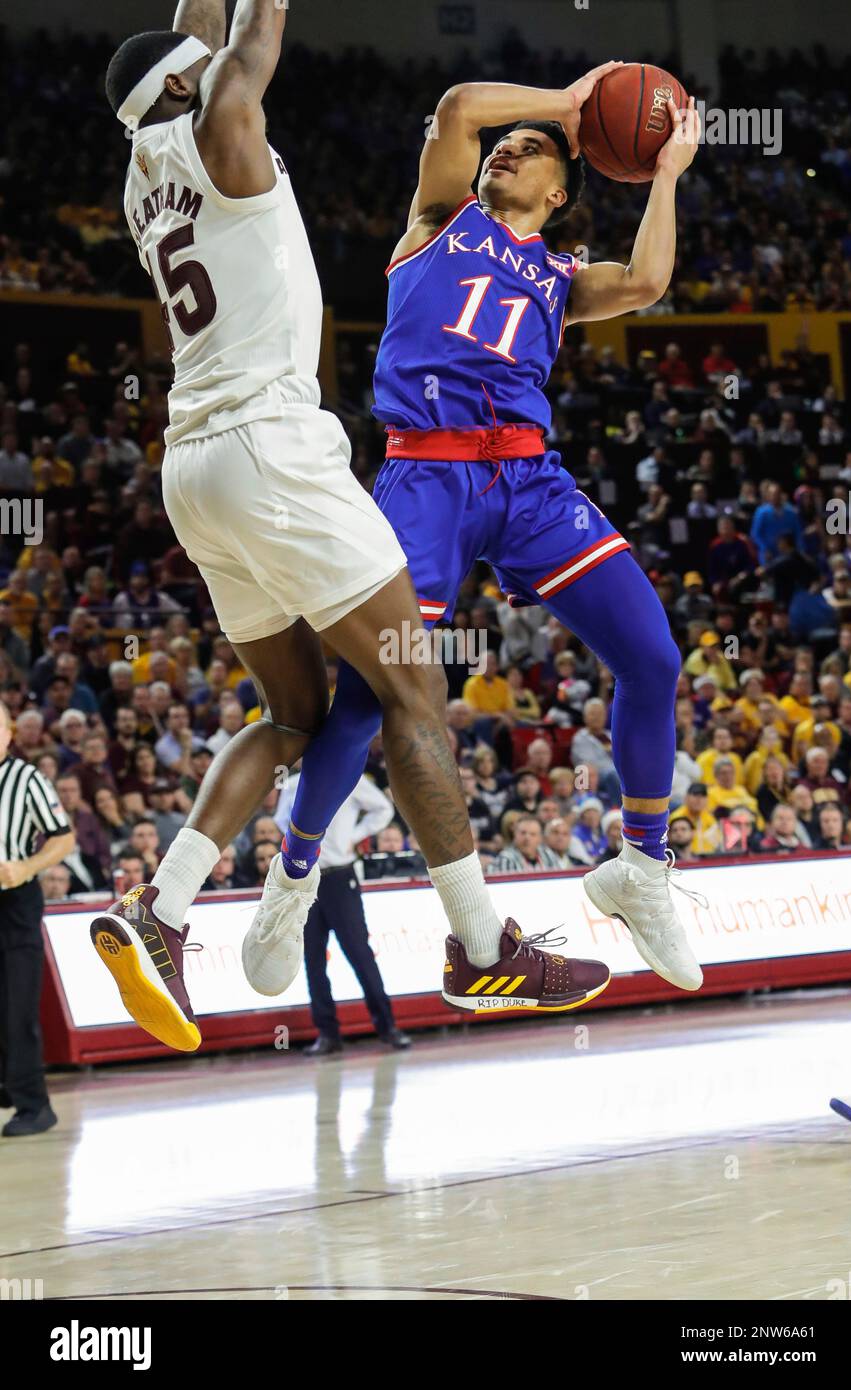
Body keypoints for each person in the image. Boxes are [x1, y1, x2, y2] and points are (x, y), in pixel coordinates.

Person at [92, 1, 608, 1051]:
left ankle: (163, 908)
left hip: (192, 470)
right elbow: (247, 37)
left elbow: (198, 33)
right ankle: (479, 944)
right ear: (193, 86)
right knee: (411, 681)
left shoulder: (146, 170)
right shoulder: (224, 120)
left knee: (294, 716)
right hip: (270, 448)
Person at [283, 59, 704, 995]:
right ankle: (295, 877)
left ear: (559, 192)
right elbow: (459, 108)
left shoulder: (559, 273)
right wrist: (573, 104)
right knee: (371, 691)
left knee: (653, 657)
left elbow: (644, 281)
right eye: (505, 147)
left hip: (527, 479)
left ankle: (640, 866)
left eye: (534, 151)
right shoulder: (441, 221)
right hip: (424, 474)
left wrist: (667, 170)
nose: (508, 147)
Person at [276, 769, 410, 1055]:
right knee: (312, 958)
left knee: (359, 953)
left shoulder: (349, 779)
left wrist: (355, 834)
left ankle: (387, 1027)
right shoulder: (290, 784)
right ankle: (327, 1034)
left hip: (340, 877)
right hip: (305, 880)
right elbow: (279, 820)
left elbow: (383, 808)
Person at [0, 702, 76, 1137]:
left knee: (17, 1003)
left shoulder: (27, 779)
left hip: (14, 900)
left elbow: (63, 838)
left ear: (9, 733)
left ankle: (35, 1105)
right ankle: (9, 1088)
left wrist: (27, 867)